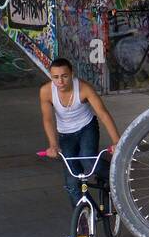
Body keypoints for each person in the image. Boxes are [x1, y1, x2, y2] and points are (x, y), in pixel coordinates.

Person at [39, 59, 121, 205]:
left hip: (87, 128)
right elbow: (48, 120)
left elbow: (103, 114)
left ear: (72, 74)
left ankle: (114, 176)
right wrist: (53, 145)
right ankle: (86, 219)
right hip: (65, 135)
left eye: (64, 76)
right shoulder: (46, 92)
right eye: (55, 77)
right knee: (72, 183)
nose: (60, 81)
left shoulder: (84, 88)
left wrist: (117, 142)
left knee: (87, 160)